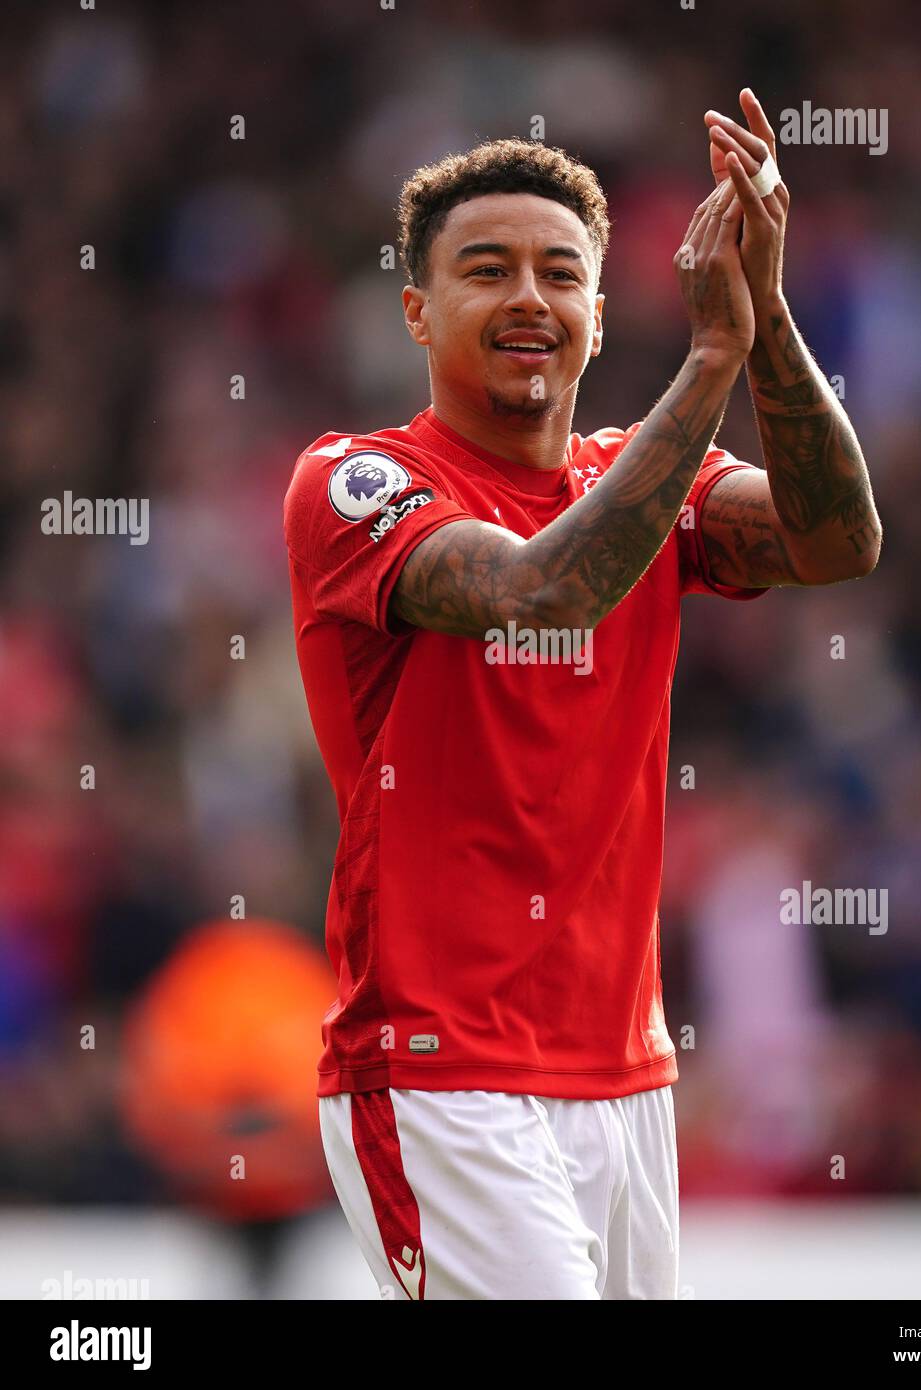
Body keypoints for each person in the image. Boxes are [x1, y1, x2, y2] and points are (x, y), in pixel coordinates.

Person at [284, 89, 881, 1300]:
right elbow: (538, 591)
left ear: (600, 317)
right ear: (416, 309)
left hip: (623, 1077)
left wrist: (761, 319)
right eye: (485, 270)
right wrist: (711, 356)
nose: (528, 299)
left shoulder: (643, 476)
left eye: (562, 274)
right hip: (437, 1066)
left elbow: (837, 540)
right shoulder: (353, 482)